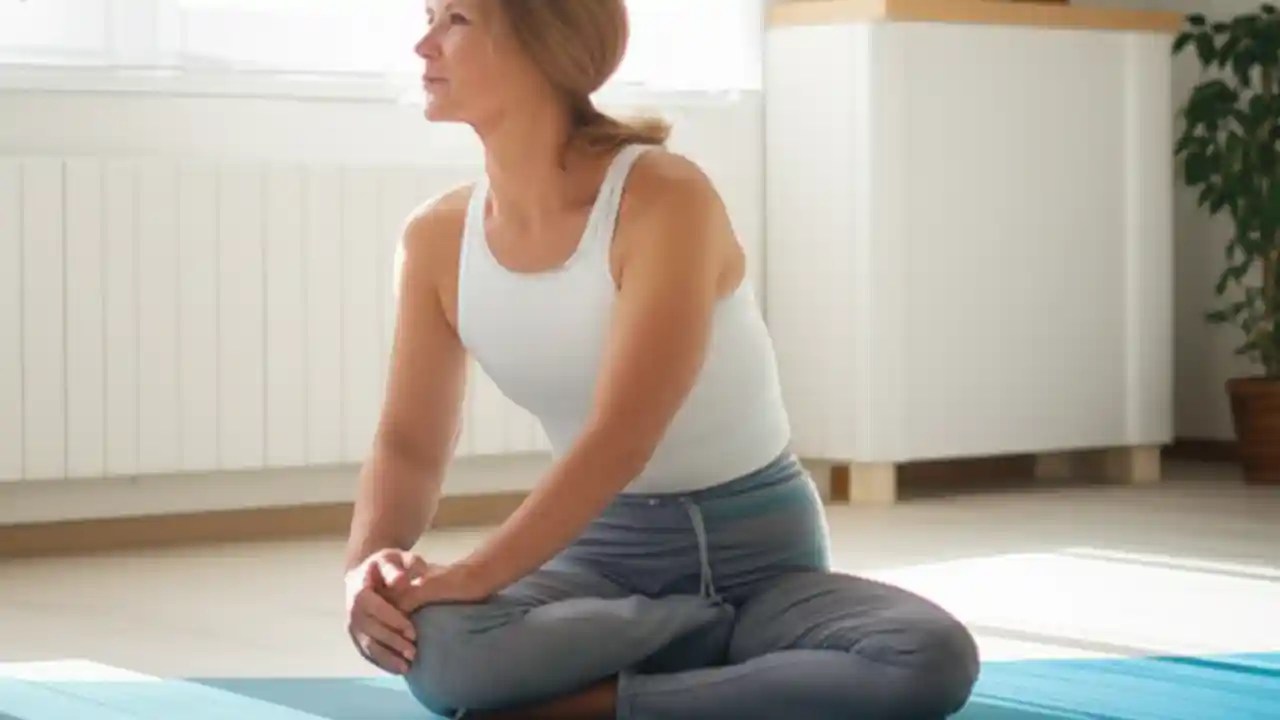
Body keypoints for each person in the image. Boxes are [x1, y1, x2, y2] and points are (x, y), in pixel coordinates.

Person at [342, 1, 980, 718]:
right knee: (436, 649)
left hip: (761, 562)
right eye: (428, 14)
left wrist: (473, 573)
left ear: (545, 43)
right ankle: (717, 648)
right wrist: (370, 571)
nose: (423, 43)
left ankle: (595, 704)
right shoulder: (435, 240)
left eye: (455, 18)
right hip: (604, 565)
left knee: (931, 658)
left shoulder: (664, 198)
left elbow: (623, 437)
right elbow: (409, 445)